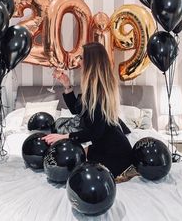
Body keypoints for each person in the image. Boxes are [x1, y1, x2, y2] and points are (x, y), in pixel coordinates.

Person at [42, 42, 133, 178]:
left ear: (91, 63)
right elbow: (76, 110)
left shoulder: (98, 92)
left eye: (82, 58)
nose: (79, 62)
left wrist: (65, 137)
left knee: (71, 168)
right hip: (104, 145)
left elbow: (95, 132)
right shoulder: (93, 88)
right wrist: (67, 85)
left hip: (113, 153)